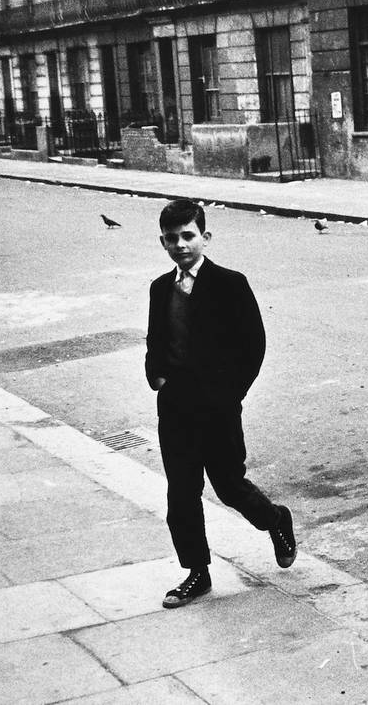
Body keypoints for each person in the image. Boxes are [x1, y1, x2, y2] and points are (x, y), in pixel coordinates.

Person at [145, 200, 296, 608]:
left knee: (229, 486)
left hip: (217, 409)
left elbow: (253, 346)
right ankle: (197, 572)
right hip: (175, 409)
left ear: (205, 238)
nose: (181, 245)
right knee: (181, 494)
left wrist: (230, 394)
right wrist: (156, 374)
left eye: (188, 236)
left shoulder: (231, 284)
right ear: (163, 242)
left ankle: (276, 520)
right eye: (172, 239)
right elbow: (155, 339)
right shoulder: (160, 288)